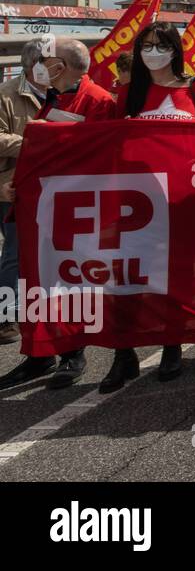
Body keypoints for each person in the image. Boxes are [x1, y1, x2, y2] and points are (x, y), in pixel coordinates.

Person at [101, 23, 195, 392]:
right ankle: (122, 353)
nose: (152, 52)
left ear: (176, 50)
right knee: (126, 277)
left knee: (177, 274)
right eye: (146, 46)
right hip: (135, 203)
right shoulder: (127, 94)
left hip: (183, 200)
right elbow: (101, 146)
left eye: (160, 45)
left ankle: (172, 344)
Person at [0, 37, 115, 389]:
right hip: (35, 205)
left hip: (72, 208)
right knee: (35, 280)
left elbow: (99, 154)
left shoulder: (97, 100)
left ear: (61, 66)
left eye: (48, 59)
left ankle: (72, 353)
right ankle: (39, 353)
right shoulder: (50, 96)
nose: (42, 63)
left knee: (70, 280)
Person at [0, 41, 48, 346]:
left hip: (51, 188)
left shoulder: (63, 93)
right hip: (12, 188)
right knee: (13, 256)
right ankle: (5, 319)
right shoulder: (6, 95)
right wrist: (36, 140)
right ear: (35, 65)